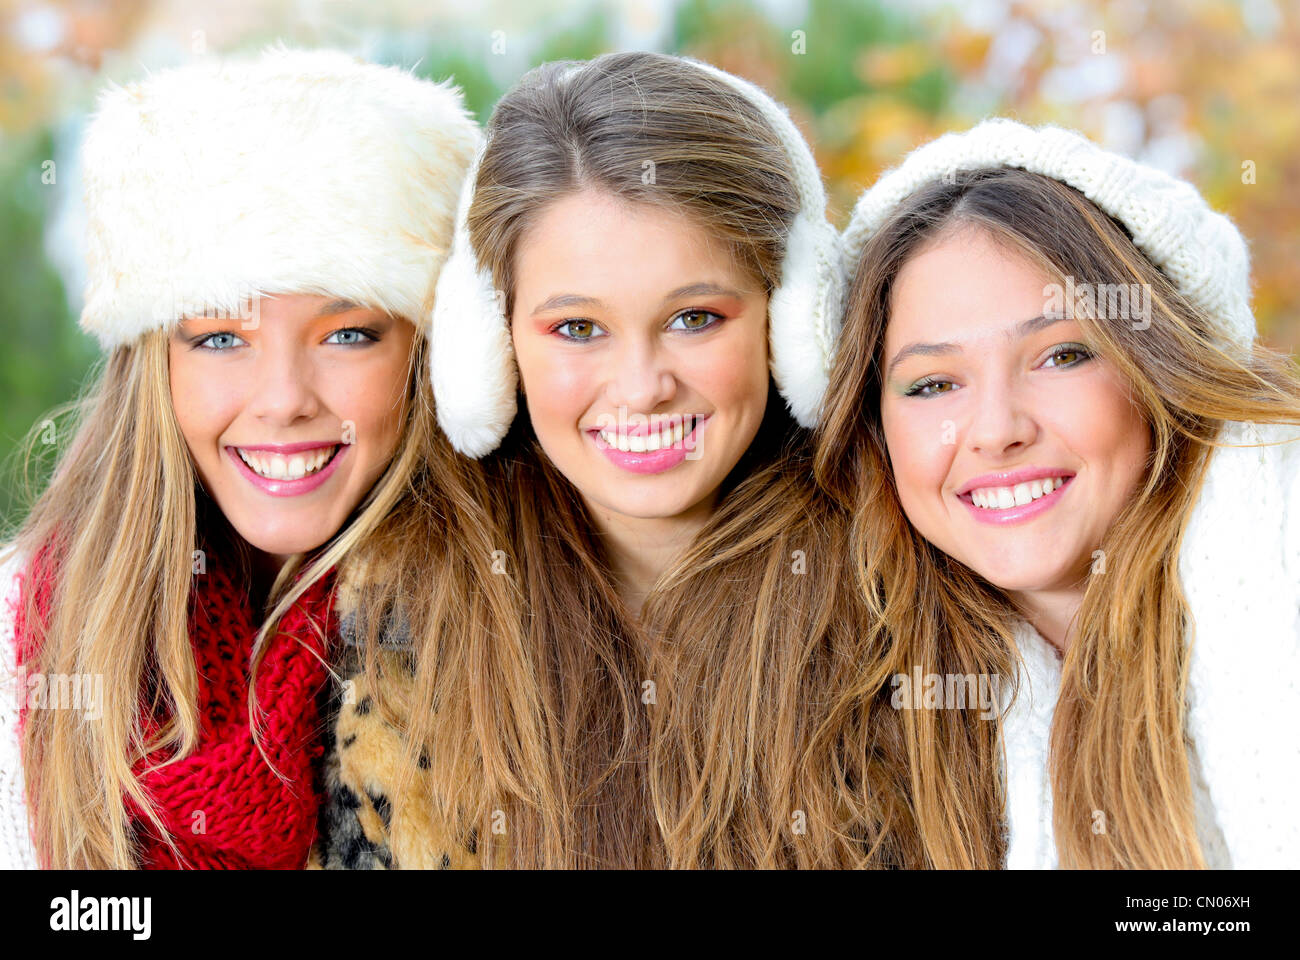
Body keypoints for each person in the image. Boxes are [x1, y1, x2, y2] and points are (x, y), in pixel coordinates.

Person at [313, 53, 918, 869]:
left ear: (790, 319)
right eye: (577, 328)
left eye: (695, 317)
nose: (642, 387)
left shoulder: (907, 599)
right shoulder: (395, 624)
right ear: (490, 345)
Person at [0, 47, 479, 868]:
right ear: (158, 366)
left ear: (426, 356)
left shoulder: (514, 617)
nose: (284, 397)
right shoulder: (23, 636)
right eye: (222, 338)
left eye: (348, 334)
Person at [816, 118, 1300, 868]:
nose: (996, 429)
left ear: (1157, 368)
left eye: (1061, 355)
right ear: (875, 432)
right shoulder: (849, 714)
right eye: (934, 383)